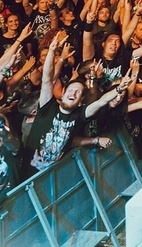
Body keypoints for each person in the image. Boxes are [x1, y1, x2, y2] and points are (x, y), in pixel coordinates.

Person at [18, 32, 122, 178]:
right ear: (64, 92)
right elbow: (47, 79)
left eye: (78, 92)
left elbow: (101, 101)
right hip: (29, 177)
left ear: (80, 101)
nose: (73, 93)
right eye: (71, 90)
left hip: (54, 176)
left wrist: (119, 88)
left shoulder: (79, 115)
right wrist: (52, 51)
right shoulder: (47, 108)